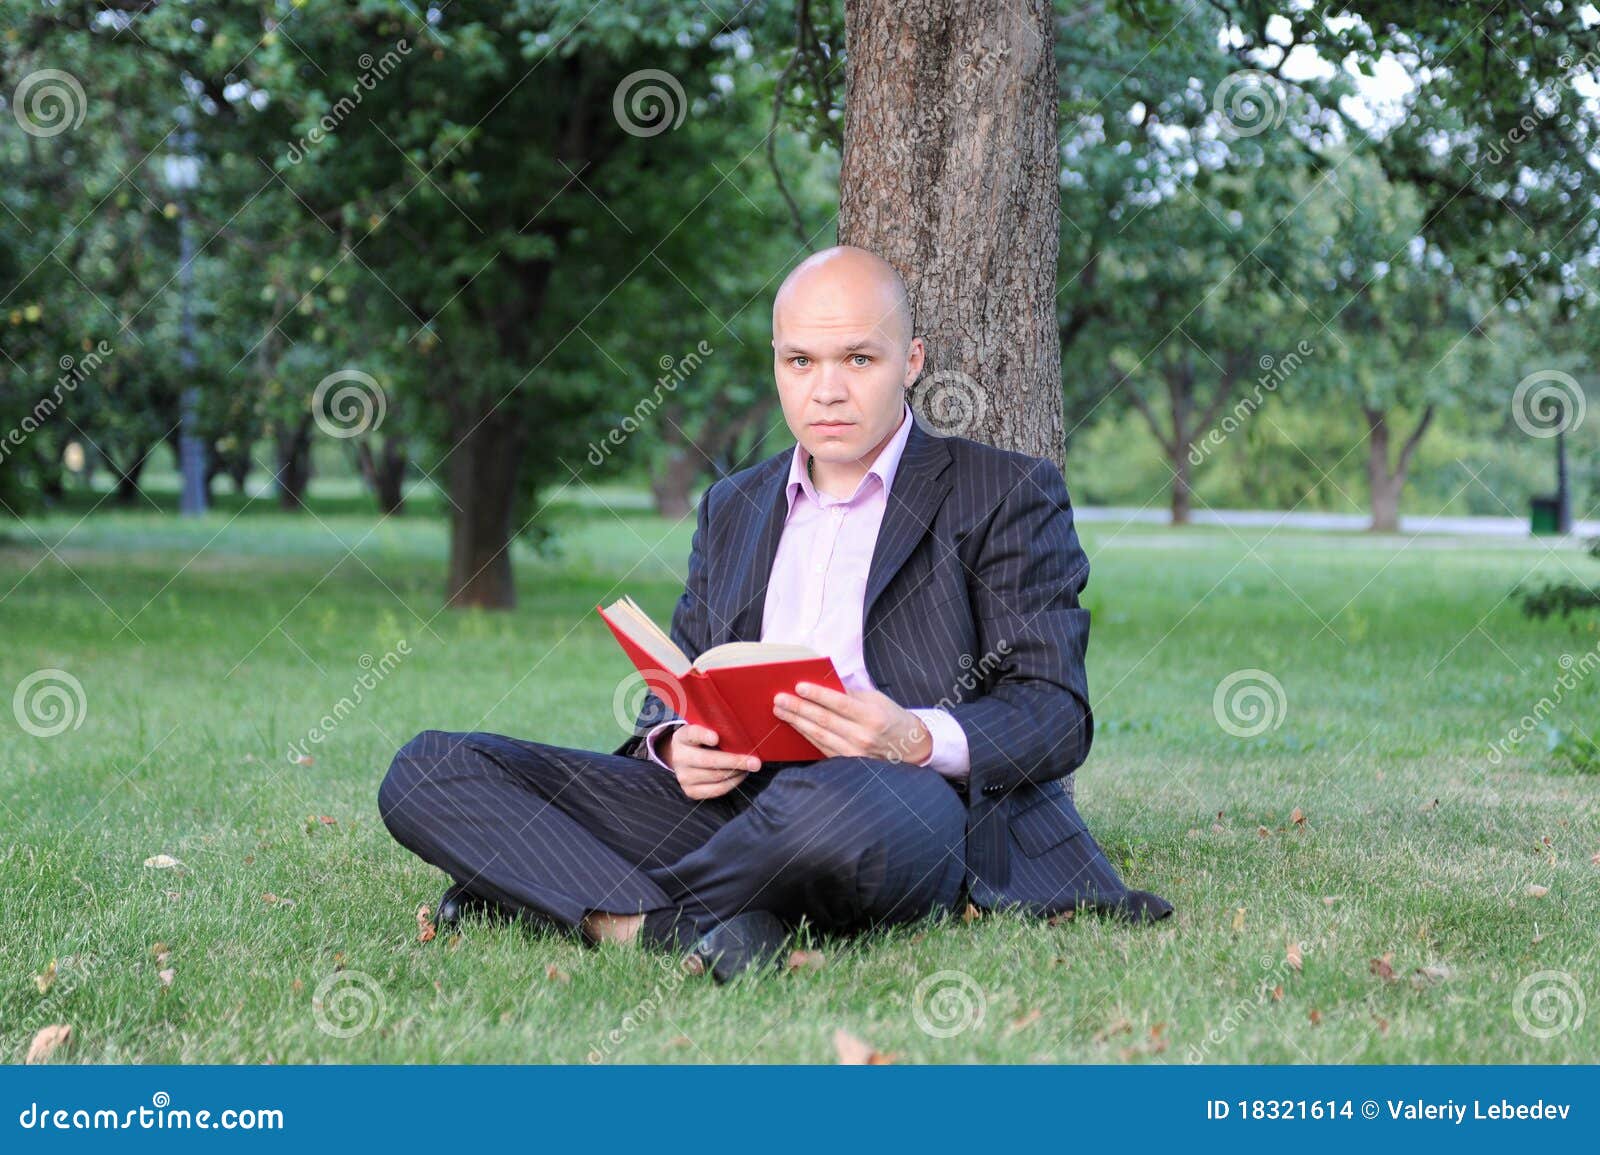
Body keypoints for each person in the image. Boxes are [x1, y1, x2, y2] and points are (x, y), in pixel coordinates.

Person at [378, 245, 1171, 983]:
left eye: (859, 358)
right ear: (779, 367)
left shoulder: (1001, 492)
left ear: (911, 362)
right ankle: (661, 927)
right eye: (802, 361)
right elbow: (684, 677)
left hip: (892, 797)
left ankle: (540, 890)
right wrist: (673, 743)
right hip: (723, 800)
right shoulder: (733, 504)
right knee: (429, 769)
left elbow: (1055, 713)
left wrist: (914, 734)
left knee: (835, 812)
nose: (827, 388)